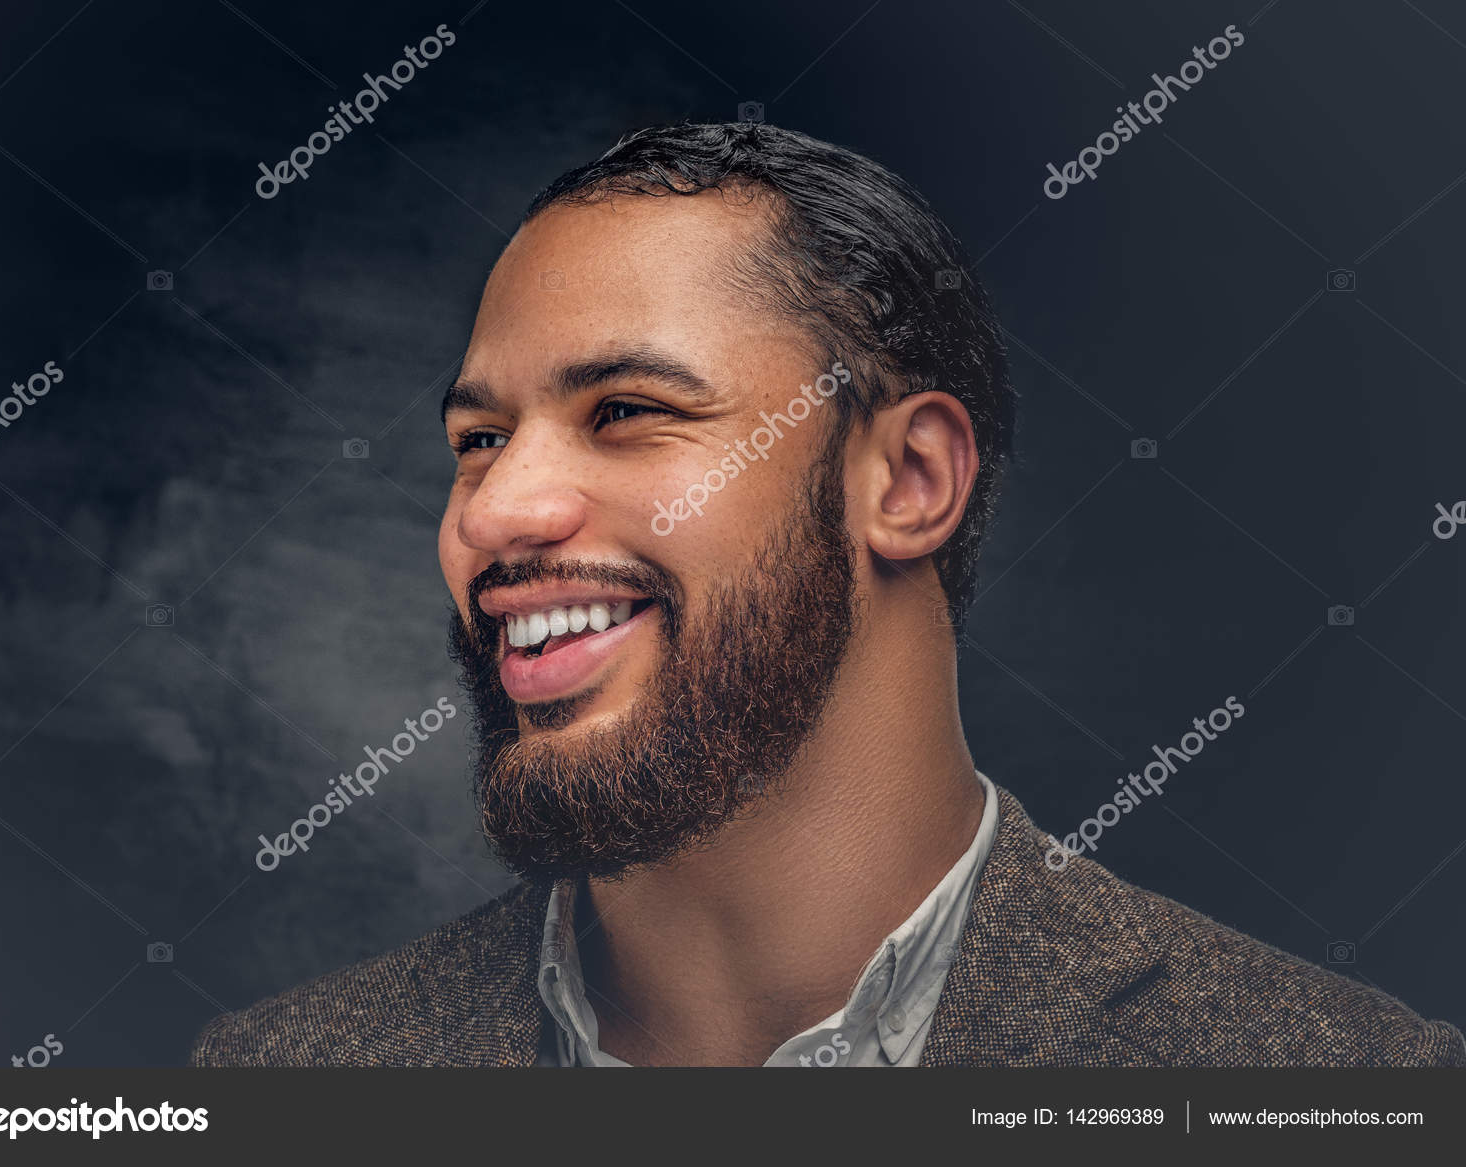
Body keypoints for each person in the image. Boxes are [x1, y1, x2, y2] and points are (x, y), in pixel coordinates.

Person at [192, 123, 1462, 1067]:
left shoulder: (1333, 1082)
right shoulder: (280, 1081)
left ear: (906, 479)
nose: (494, 514)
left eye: (626, 411)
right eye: (477, 440)